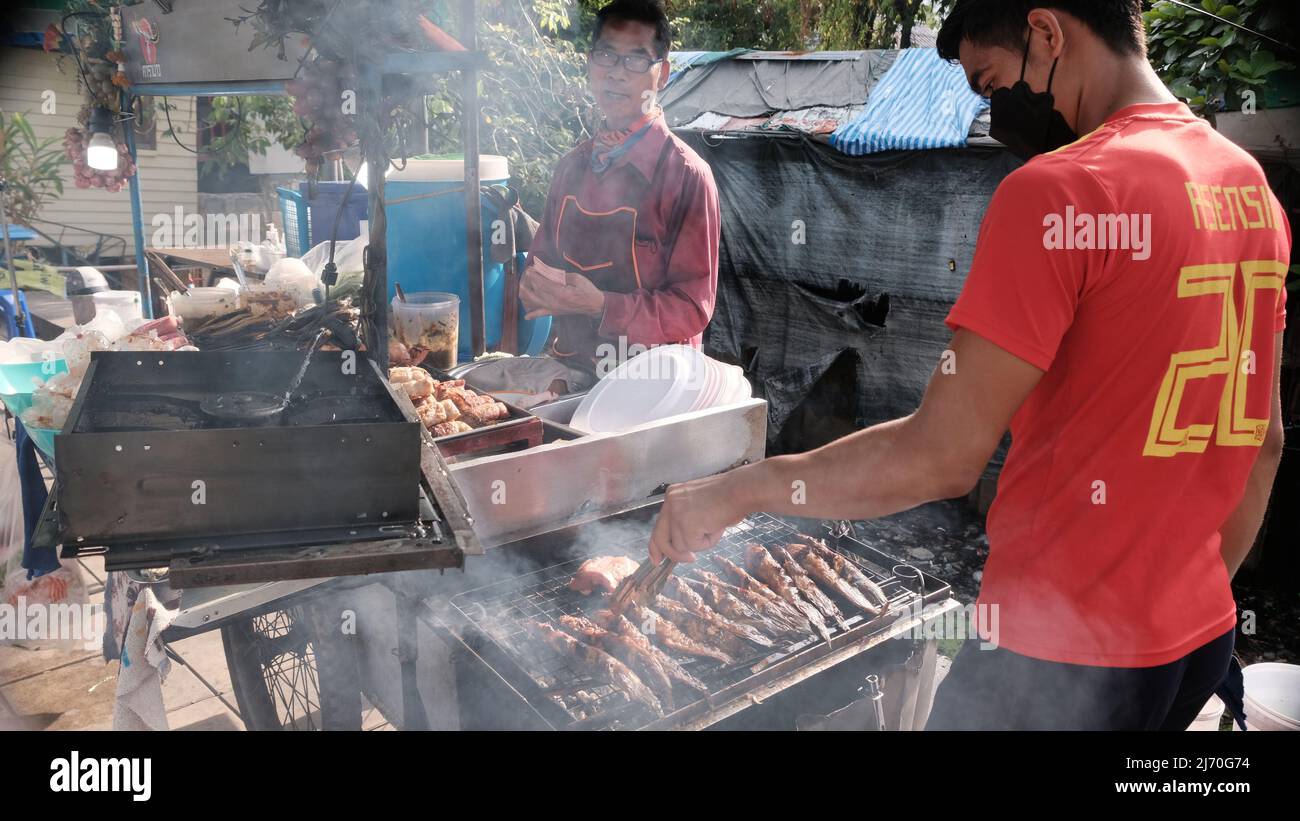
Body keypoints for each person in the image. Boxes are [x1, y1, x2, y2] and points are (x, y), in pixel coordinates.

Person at [647, 0, 1289, 730]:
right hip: (1198, 641)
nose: (992, 113)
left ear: (1046, 33)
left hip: (1056, 662)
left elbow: (939, 458)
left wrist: (739, 490)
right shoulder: (1251, 190)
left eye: (989, 84)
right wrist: (1187, 600)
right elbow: (1264, 445)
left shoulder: (1063, 192)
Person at [515, 0, 721, 393]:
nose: (616, 74)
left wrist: (600, 306)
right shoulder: (571, 168)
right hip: (571, 377)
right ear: (590, 64)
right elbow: (539, 264)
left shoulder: (688, 177)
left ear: (662, 74)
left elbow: (693, 308)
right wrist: (534, 284)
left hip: (657, 389)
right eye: (606, 55)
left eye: (635, 60)